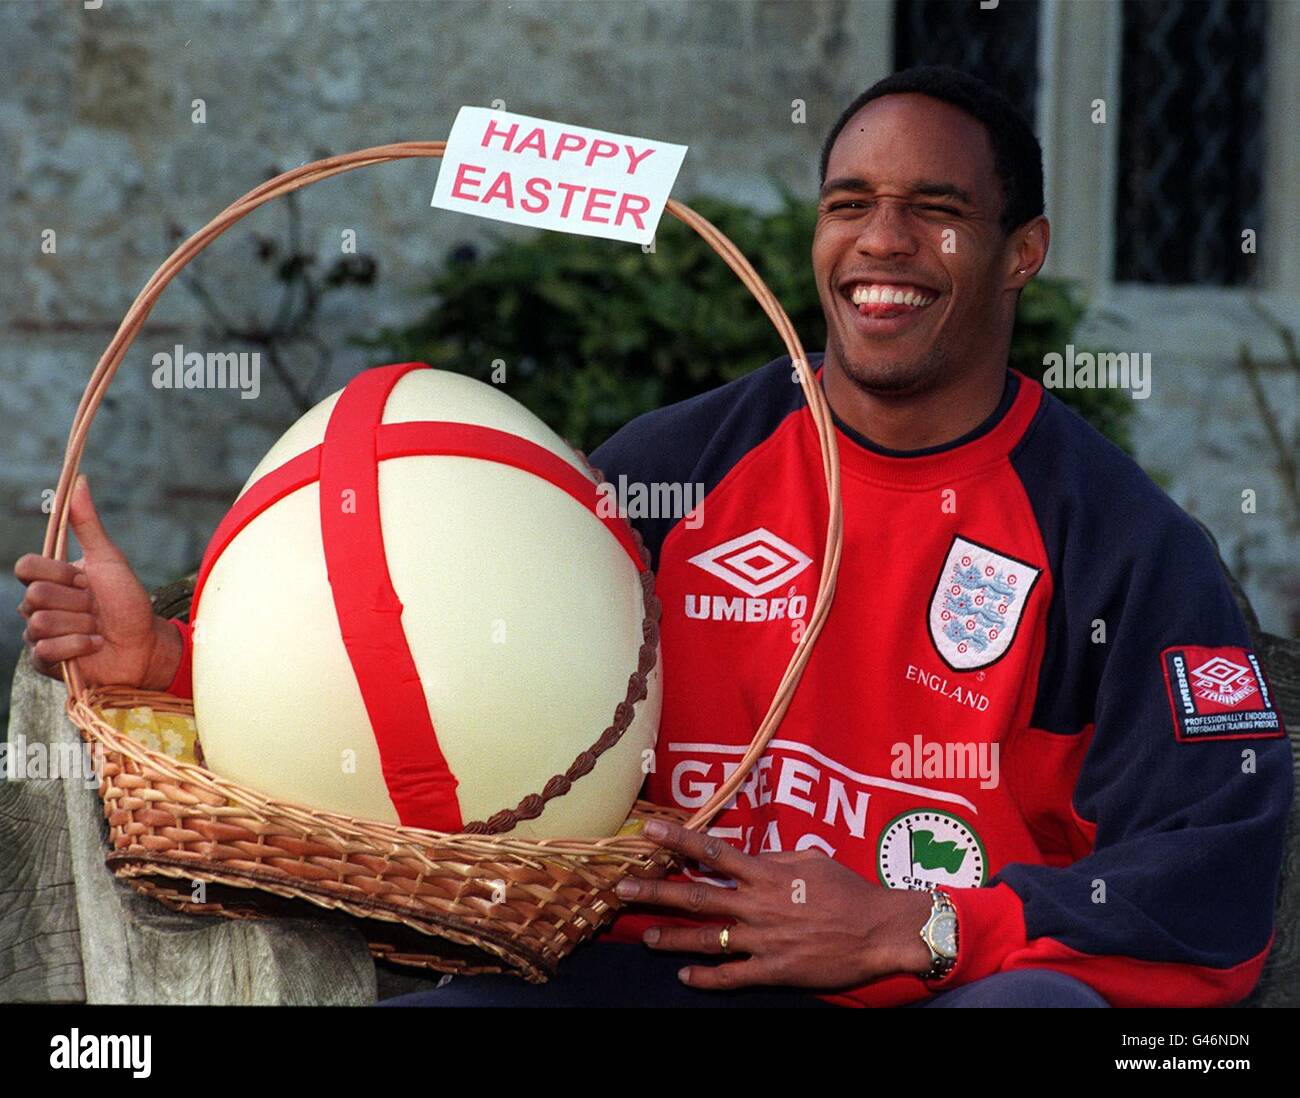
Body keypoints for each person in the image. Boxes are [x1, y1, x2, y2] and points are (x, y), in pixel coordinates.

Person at [17, 67, 1290, 1009]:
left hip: (947, 986)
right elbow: (453, 702)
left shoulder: (1121, 544)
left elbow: (1216, 881)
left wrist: (918, 925)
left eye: (934, 208)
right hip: (666, 973)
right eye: (850, 202)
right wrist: (176, 664)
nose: (882, 241)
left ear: (1023, 254)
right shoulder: (672, 474)